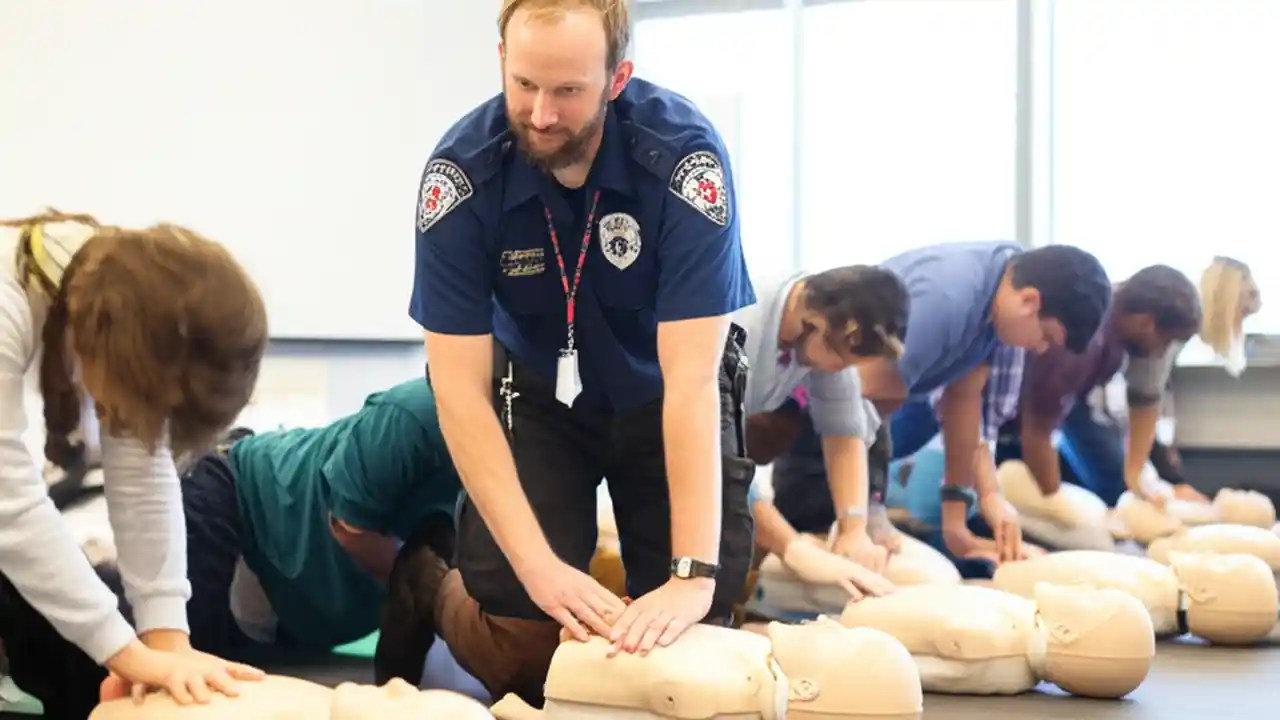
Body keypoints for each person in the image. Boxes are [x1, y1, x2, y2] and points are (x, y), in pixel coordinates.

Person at [408, 0, 755, 706]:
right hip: (533, 389)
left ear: (617, 78)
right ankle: (423, 579)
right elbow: (455, 387)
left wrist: (690, 576)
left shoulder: (686, 161)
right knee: (525, 647)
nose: (540, 114)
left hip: (662, 389)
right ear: (502, 59)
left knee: (699, 631)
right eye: (524, 84)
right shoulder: (459, 175)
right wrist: (537, 569)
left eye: (568, 91)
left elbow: (692, 382)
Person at [3, 377, 467, 714]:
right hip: (241, 502)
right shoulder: (416, 413)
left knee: (190, 678)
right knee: (118, 675)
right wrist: (433, 589)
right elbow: (349, 527)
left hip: (298, 599)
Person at [0, 210, 268, 717]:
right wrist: (123, 652)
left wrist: (167, 645)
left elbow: (145, 478)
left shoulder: (119, 306)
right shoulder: (9, 300)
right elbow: (7, 502)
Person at [854, 241, 1112, 563]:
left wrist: (967, 518)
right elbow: (860, 401)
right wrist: (868, 512)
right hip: (822, 407)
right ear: (1030, 301)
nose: (1041, 349)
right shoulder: (946, 302)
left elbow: (962, 402)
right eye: (1046, 337)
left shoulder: (1000, 299)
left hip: (872, 409)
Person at [733, 265, 907, 598]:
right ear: (815, 323)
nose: (838, 371)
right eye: (841, 361)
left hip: (713, 447)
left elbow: (843, 430)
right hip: (642, 429)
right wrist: (792, 547)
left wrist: (853, 527)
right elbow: (715, 456)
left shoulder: (822, 332)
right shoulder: (739, 319)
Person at [1011, 264, 1202, 507]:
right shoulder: (1080, 338)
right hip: (1020, 407)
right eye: (1166, 341)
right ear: (1147, 323)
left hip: (1071, 400)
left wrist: (1134, 478)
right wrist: (1057, 504)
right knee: (1058, 498)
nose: (1163, 351)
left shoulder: (1129, 324)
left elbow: (1145, 399)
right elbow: (1037, 430)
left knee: (1115, 478)